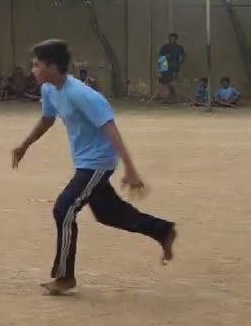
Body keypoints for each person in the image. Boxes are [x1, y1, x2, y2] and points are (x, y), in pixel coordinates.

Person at [11, 39, 177, 296]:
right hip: (84, 161)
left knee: (64, 209)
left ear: (52, 67)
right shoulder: (49, 90)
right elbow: (47, 120)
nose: (32, 70)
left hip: (98, 162)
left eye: (36, 65)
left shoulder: (82, 95)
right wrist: (24, 145)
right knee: (109, 213)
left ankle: (64, 277)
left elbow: (110, 128)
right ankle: (163, 231)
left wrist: (130, 169)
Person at [157, 33, 186, 103]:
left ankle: (176, 98)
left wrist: (181, 61)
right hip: (165, 68)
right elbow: (161, 58)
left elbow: (184, 56)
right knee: (165, 84)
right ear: (169, 39)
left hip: (175, 67)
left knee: (174, 83)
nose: (172, 39)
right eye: (171, 38)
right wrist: (160, 69)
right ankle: (167, 98)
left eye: (174, 38)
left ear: (176, 39)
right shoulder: (165, 47)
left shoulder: (179, 47)